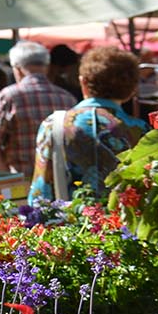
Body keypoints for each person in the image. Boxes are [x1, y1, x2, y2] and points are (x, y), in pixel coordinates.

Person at [28, 46, 146, 204]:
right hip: (123, 225)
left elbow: (41, 191)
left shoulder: (55, 124)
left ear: (82, 82)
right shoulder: (141, 130)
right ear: (131, 90)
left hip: (71, 224)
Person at [0, 41, 75, 175]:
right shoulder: (68, 98)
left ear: (17, 68)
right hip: (60, 180)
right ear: (46, 67)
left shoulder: (10, 95)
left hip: (22, 181)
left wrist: (6, 175)